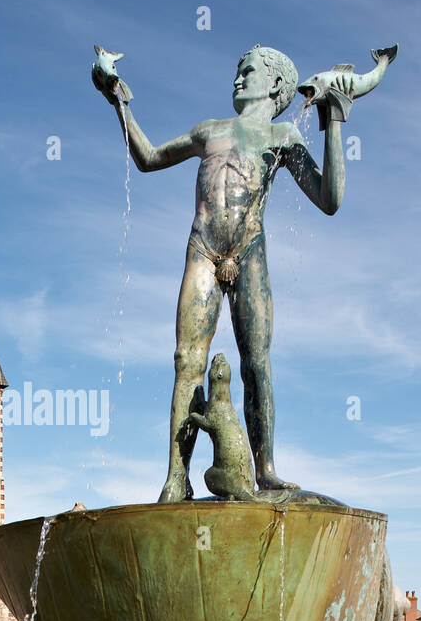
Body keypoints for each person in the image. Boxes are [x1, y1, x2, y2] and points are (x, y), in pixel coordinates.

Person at [93, 44, 353, 502]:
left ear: (275, 84)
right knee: (186, 361)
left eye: (247, 71)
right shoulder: (209, 130)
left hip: (248, 248)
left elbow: (329, 199)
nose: (237, 78)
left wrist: (334, 118)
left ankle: (266, 469)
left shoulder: (283, 136)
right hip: (203, 248)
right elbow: (149, 157)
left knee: (256, 360)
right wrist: (118, 100)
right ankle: (177, 476)